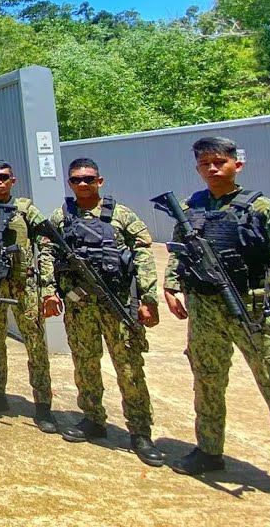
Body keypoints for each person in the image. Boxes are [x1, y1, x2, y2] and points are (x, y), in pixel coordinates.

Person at [161, 137, 270, 517]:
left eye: (219, 161)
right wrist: (172, 286)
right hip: (205, 311)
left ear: (236, 165)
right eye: (205, 163)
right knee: (207, 381)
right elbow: (179, 249)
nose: (212, 168)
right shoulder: (192, 207)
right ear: (198, 168)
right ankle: (209, 451)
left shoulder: (261, 207)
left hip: (252, 310)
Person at [47, 158, 164, 465]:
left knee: (128, 368)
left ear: (100, 181)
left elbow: (143, 256)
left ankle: (140, 432)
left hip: (118, 303)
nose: (82, 185)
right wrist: (49, 290)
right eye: (76, 180)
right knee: (85, 364)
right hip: (79, 305)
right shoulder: (61, 217)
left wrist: (148, 298)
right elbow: (46, 252)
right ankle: (93, 418)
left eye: (88, 179)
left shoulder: (121, 216)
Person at [0, 160, 61, 433]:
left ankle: (43, 405)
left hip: (24, 285)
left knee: (35, 344)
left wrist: (46, 288)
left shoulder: (27, 211)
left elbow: (44, 247)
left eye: (4, 177)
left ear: (12, 180)